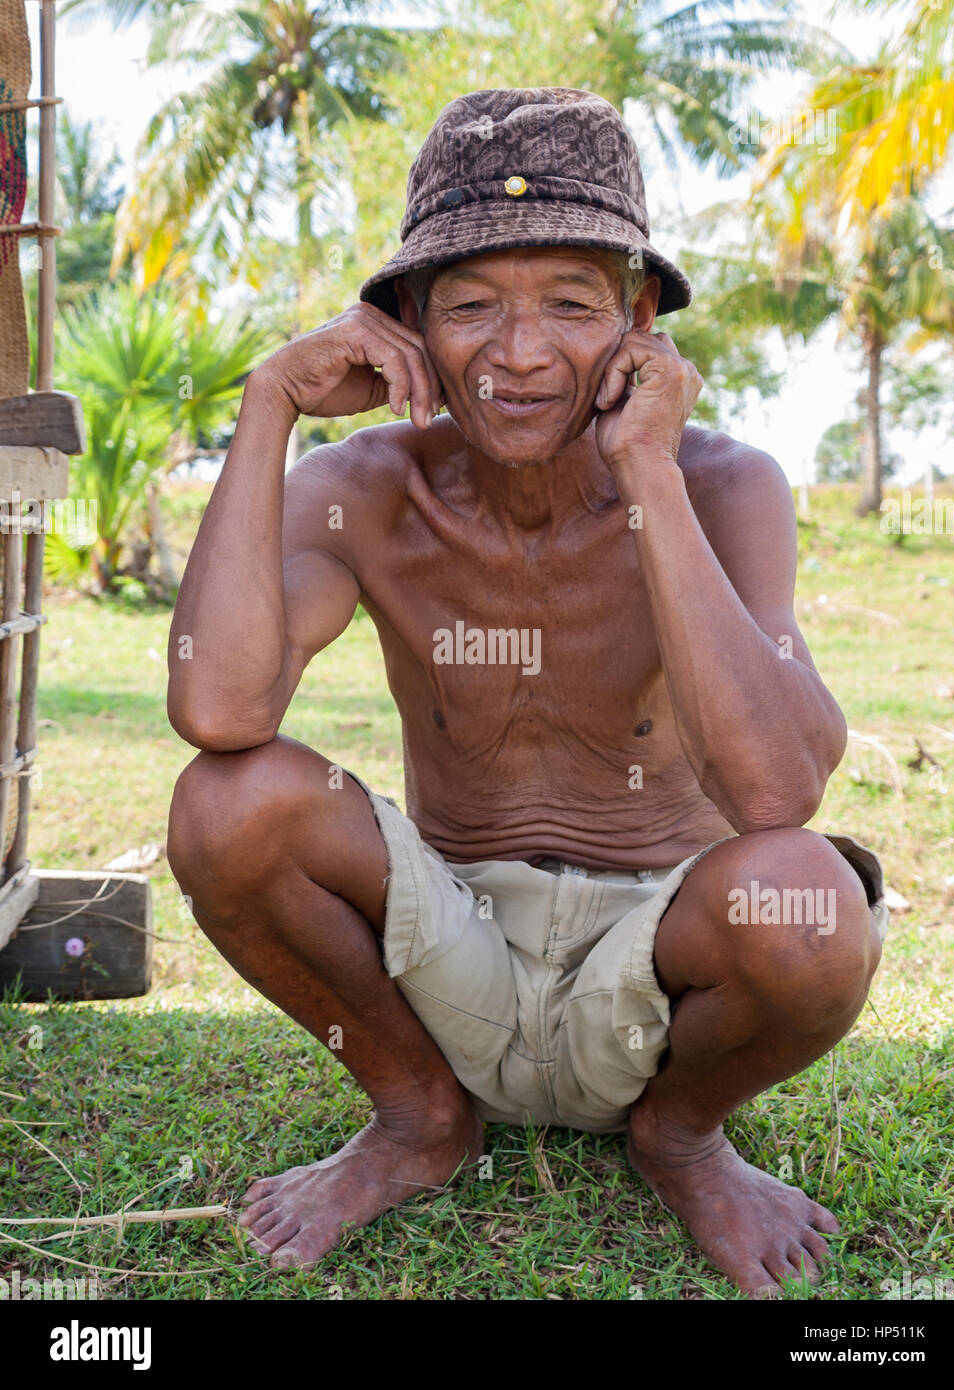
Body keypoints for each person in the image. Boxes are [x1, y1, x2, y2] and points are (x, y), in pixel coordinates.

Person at [166, 87, 889, 1298]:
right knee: (226, 802)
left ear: (639, 319)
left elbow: (776, 789)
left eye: (571, 303)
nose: (519, 354)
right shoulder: (370, 485)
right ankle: (417, 1117)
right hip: (446, 959)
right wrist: (266, 407)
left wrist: (644, 464)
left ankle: (682, 1134)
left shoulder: (722, 480)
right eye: (468, 308)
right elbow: (223, 711)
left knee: (810, 901)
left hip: (660, 972)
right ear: (401, 324)